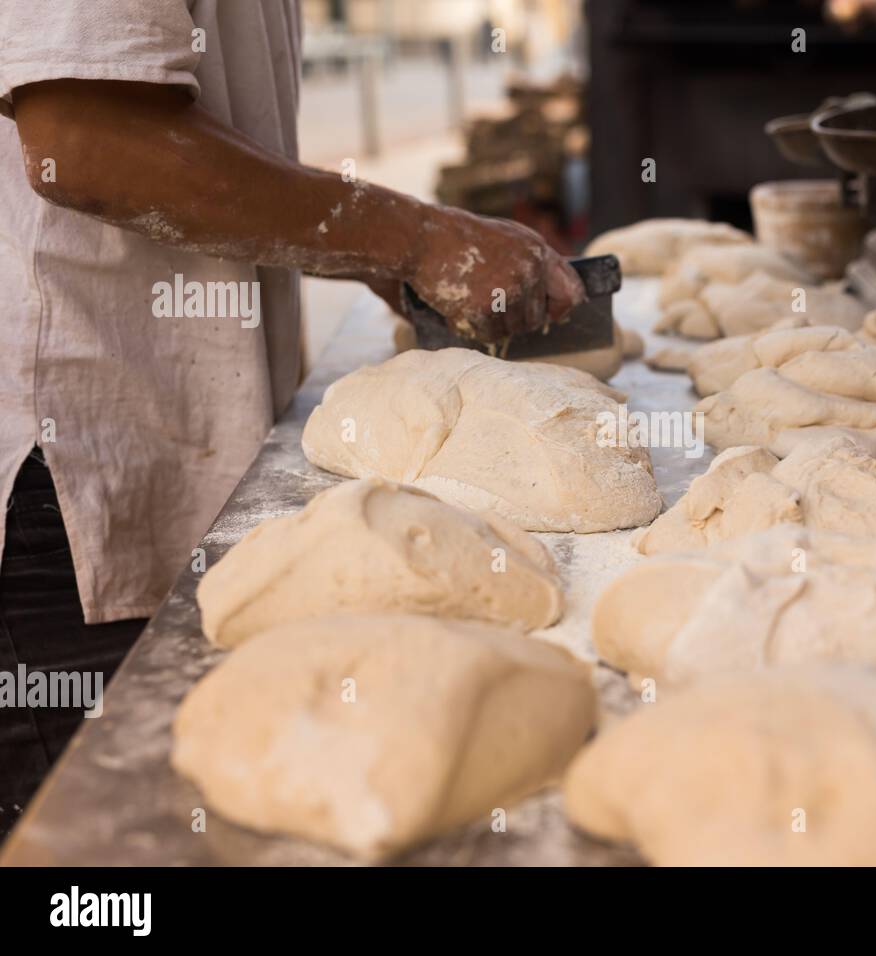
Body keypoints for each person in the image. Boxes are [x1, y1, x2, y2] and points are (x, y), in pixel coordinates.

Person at [0, 1, 583, 838]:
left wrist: (374, 248)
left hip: (160, 453)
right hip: (75, 485)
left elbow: (184, 121)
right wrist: (412, 238)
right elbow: (84, 142)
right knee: (126, 853)